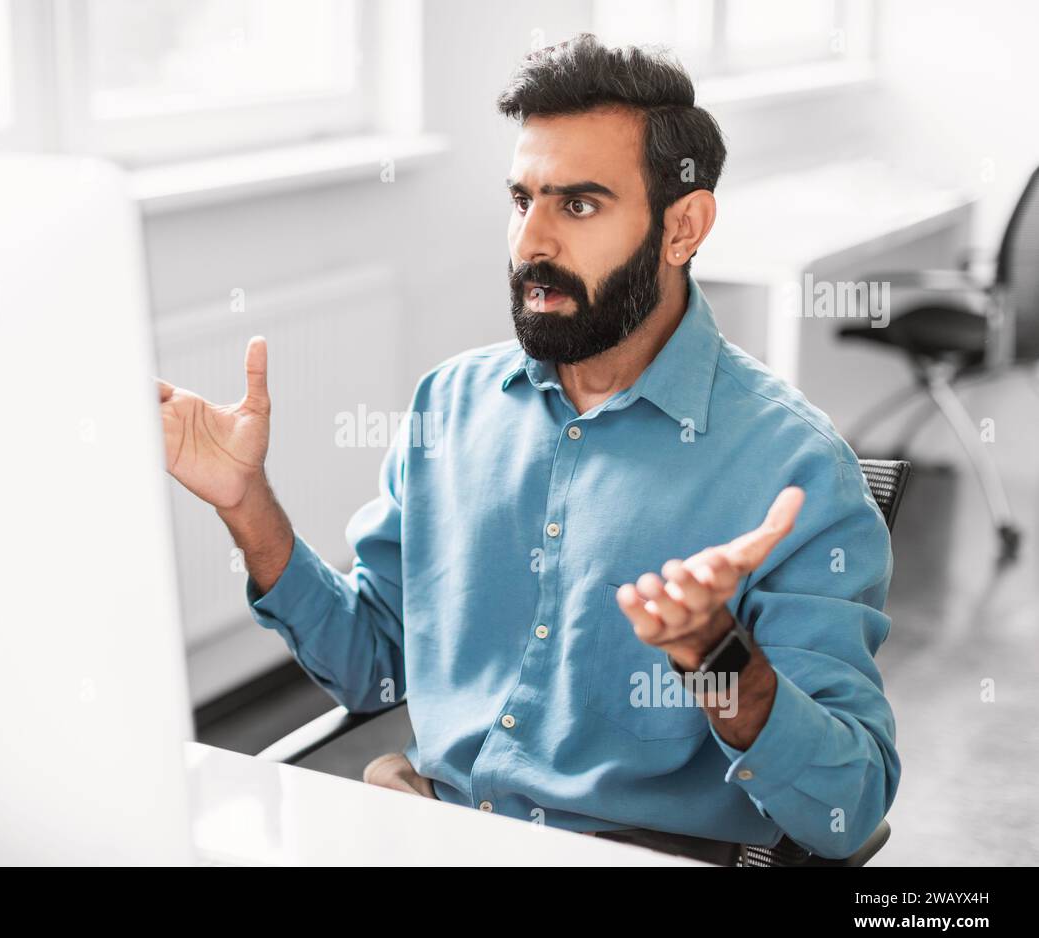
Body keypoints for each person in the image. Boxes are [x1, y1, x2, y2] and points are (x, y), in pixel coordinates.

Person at [157, 34, 899, 862]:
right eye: (521, 200)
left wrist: (715, 655)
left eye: (578, 205)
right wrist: (246, 504)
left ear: (682, 226)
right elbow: (374, 669)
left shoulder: (794, 466)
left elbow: (846, 806)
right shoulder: (452, 406)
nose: (531, 244)